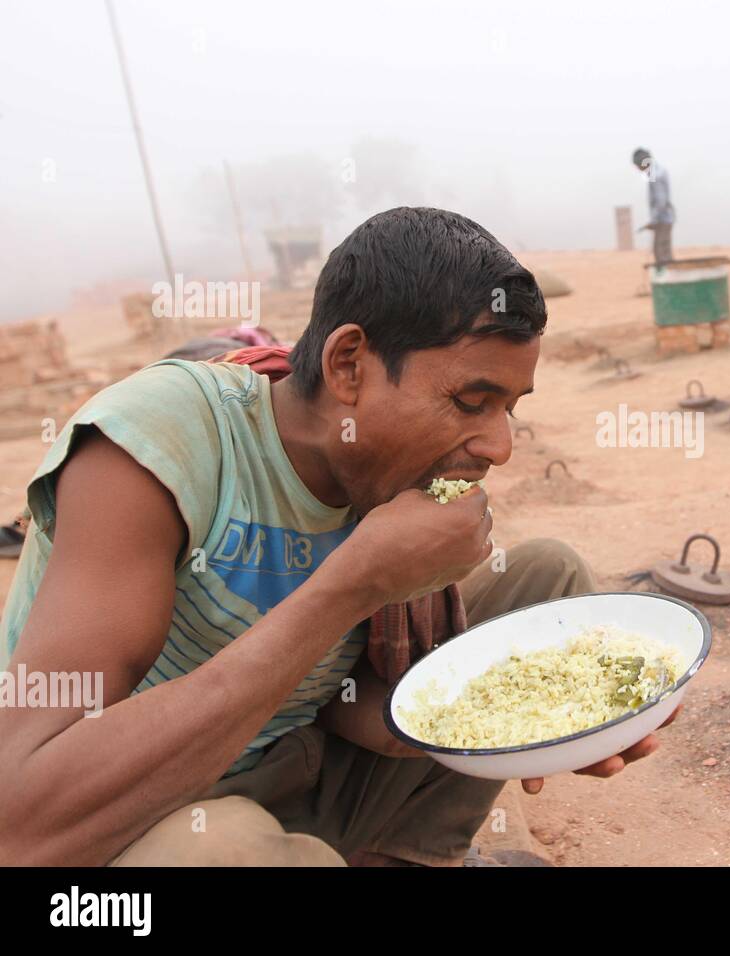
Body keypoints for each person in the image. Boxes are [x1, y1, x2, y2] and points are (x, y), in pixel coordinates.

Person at [0, 207, 677, 866]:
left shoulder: (383, 477)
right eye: (472, 403)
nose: (500, 446)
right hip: (129, 815)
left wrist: (530, 726)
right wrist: (353, 585)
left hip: (284, 763)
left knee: (546, 581)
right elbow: (23, 825)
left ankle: (399, 852)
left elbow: (342, 707)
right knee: (225, 846)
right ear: (348, 364)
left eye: (510, 407)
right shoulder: (159, 445)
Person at [632, 148, 675, 265]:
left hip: (663, 219)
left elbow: (661, 201)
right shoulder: (657, 171)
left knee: (662, 256)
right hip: (663, 218)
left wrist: (654, 220)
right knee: (660, 252)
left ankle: (667, 281)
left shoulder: (656, 174)